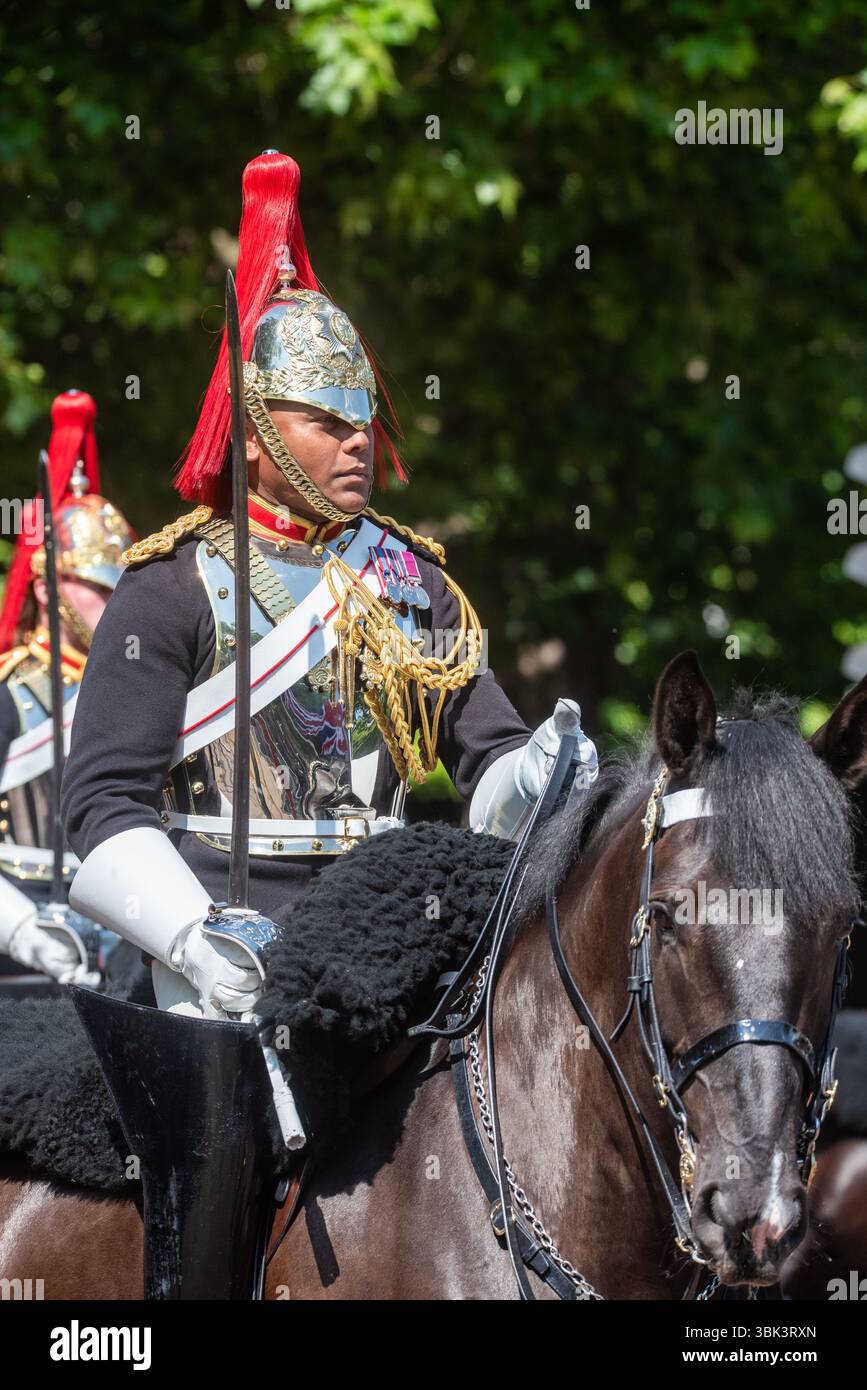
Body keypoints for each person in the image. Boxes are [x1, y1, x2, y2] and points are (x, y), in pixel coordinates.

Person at [62, 149, 598, 1026]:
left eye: (363, 421)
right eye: (326, 421)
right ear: (255, 440)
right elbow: (104, 800)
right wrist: (195, 937)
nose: (358, 443)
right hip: (218, 941)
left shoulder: (406, 577)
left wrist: (536, 772)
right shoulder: (171, 584)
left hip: (392, 929)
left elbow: (482, 763)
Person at [0, 389, 137, 985]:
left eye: (118, 586)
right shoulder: (8, 691)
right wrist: (20, 930)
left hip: (130, 933)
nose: (112, 602)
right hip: (21, 953)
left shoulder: (140, 685)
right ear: (45, 587)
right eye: (94, 585)